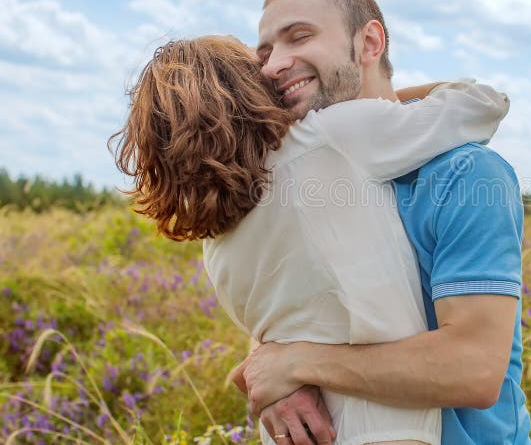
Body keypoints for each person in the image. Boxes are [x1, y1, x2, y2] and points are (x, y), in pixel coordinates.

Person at [111, 33, 509, 445]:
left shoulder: (215, 242)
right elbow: (481, 103)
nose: (275, 68)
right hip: (387, 429)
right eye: (260, 62)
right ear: (248, 89)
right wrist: (376, 101)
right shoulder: (326, 138)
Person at [234, 0, 531, 444]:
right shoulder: (295, 185)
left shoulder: (467, 176)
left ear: (369, 42)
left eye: (300, 36)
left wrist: (298, 364)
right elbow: (283, 326)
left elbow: (474, 369)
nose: (273, 66)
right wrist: (272, 379)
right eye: (265, 52)